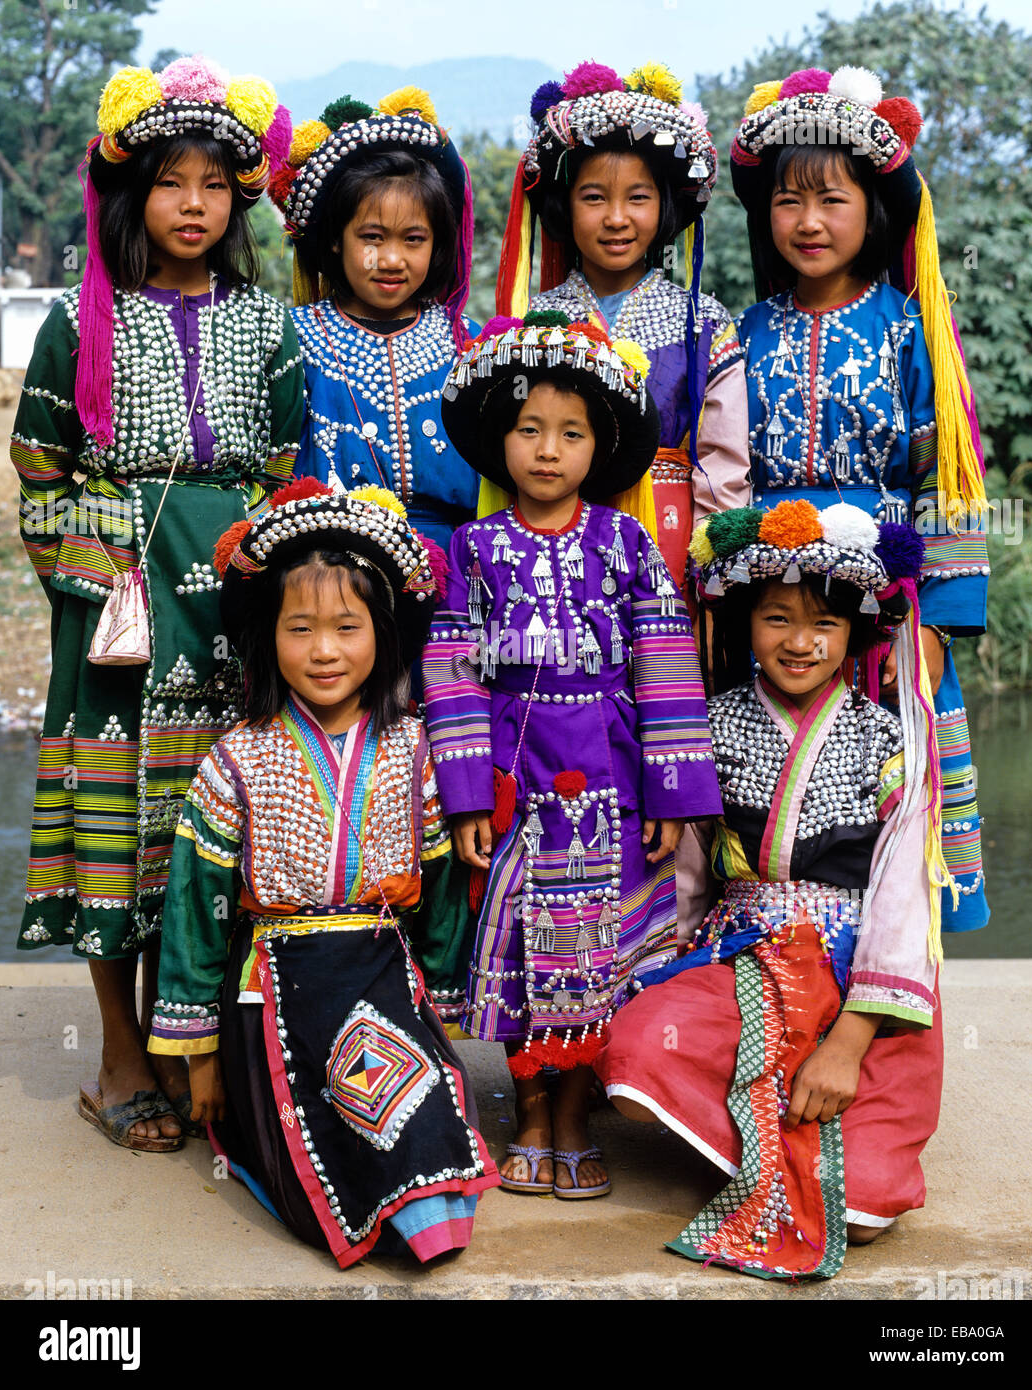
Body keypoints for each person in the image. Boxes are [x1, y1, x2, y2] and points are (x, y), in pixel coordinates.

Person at [13, 56, 304, 1150]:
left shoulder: (269, 326)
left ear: (239, 199)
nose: (193, 202)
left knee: (214, 825)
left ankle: (200, 1045)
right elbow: (38, 461)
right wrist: (96, 563)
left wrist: (254, 564)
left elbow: (287, 466)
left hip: (227, 600)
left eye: (215, 182)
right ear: (133, 193)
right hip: (117, 615)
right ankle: (122, 1054)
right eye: (171, 180)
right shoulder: (75, 323)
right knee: (114, 826)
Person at [148, 482, 499, 1267]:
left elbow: (439, 889)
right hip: (276, 982)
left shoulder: (415, 752)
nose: (324, 651)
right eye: (299, 628)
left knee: (421, 1102)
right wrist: (197, 1054)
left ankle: (421, 1208)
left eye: (347, 627)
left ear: (383, 633)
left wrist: (441, 998)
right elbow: (195, 910)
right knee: (345, 1089)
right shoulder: (237, 759)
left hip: (381, 970)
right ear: (268, 637)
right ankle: (394, 1205)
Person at [597, 499, 946, 1278]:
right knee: (631, 1059)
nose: (798, 642)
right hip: (738, 954)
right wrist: (648, 972)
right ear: (745, 621)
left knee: (865, 1209)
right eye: (776, 618)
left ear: (853, 633)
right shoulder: (708, 727)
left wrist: (849, 1047)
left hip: (855, 982)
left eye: (823, 624)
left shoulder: (890, 739)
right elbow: (687, 878)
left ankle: (770, 1138)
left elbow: (901, 904)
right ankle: (767, 1145)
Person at [422, 312, 722, 1198]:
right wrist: (469, 795)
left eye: (571, 433)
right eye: (528, 430)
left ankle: (573, 1111)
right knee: (522, 951)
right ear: (497, 441)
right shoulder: (470, 552)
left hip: (611, 783)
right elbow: (453, 671)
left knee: (592, 959)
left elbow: (665, 666)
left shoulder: (625, 544)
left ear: (600, 448)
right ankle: (528, 1112)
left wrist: (673, 799)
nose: (547, 450)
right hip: (520, 788)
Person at [729, 64, 989, 933]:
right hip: (770, 595)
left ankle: (895, 983)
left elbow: (941, 473)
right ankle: (781, 960)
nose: (807, 222)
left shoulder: (907, 329)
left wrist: (935, 618)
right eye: (788, 202)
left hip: (883, 599)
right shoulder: (744, 331)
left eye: (831, 200)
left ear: (873, 210)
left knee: (893, 787)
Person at [495, 60, 751, 594]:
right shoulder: (534, 324)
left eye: (638, 197)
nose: (616, 217)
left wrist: (712, 574)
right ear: (565, 206)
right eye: (594, 197)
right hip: (552, 548)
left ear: (665, 207)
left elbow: (724, 467)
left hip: (673, 541)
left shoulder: (703, 322)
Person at [270, 87, 480, 555]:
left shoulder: (467, 342)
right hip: (328, 565)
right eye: (371, 237)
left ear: (438, 246)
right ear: (333, 242)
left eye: (413, 239)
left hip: (455, 571)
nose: (390, 258)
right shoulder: (291, 338)